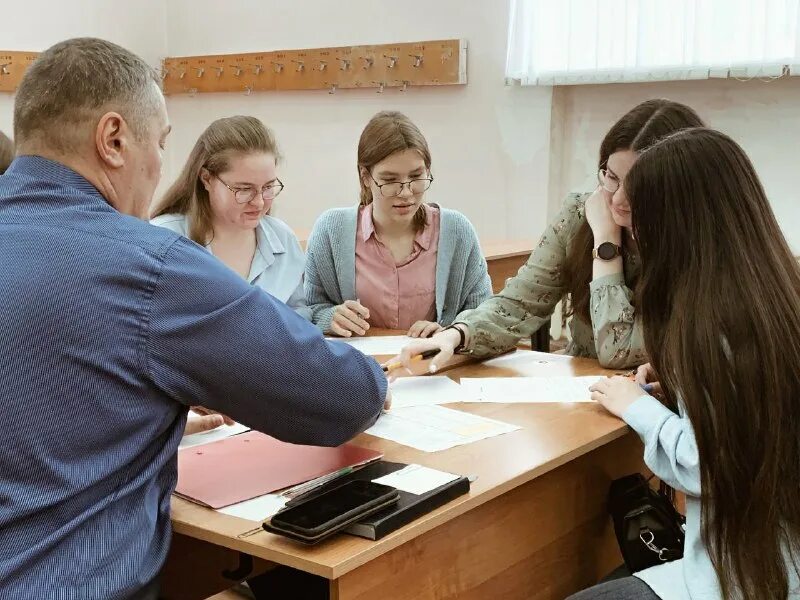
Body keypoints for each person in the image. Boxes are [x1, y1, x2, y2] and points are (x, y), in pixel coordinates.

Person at [0, 37, 387, 600]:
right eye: (159, 143)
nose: (160, 165)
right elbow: (338, 396)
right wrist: (375, 381)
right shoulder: (150, 266)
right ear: (113, 140)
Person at [573, 128, 800, 599]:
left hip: (752, 573)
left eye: (641, 223)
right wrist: (684, 388)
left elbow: (710, 466)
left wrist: (636, 406)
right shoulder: (779, 290)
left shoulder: (715, 321)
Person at [397, 99, 704, 371]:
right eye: (611, 176)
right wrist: (457, 334)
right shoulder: (580, 214)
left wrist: (606, 243)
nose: (618, 199)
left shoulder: (697, 244)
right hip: (583, 393)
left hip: (656, 407)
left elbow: (619, 349)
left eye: (637, 187)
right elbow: (522, 301)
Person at [304, 110, 492, 339]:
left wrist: (452, 331)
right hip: (359, 367)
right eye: (390, 180)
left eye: (416, 177)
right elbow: (307, 309)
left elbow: (483, 315)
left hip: (433, 365)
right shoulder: (330, 231)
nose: (405, 192)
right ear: (365, 177)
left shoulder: (457, 231)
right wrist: (330, 317)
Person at [151, 115, 311, 321]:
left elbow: (300, 315)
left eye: (268, 187)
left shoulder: (283, 238)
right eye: (244, 189)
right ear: (206, 179)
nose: (260, 202)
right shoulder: (163, 239)